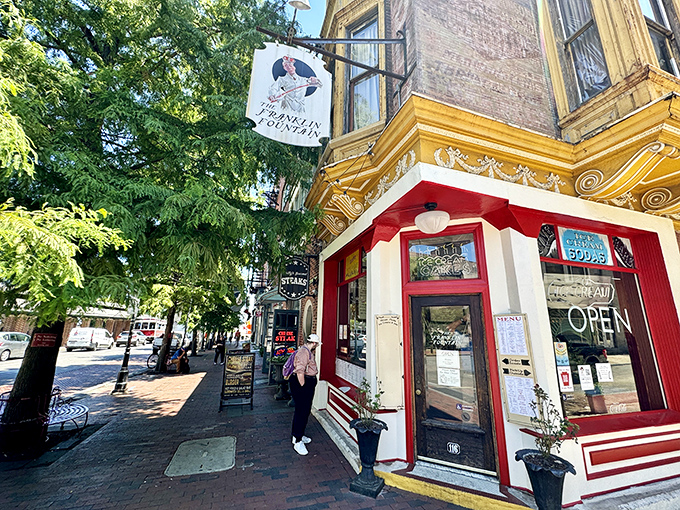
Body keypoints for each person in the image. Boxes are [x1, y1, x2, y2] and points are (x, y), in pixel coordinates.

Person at [289, 333, 321, 456]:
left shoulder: (306, 351)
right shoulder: (304, 352)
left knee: (303, 411)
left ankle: (298, 435)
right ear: (314, 343)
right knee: (302, 411)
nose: (317, 346)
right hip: (303, 384)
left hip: (306, 382)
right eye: (317, 344)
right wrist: (303, 386)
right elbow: (300, 371)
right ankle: (297, 441)